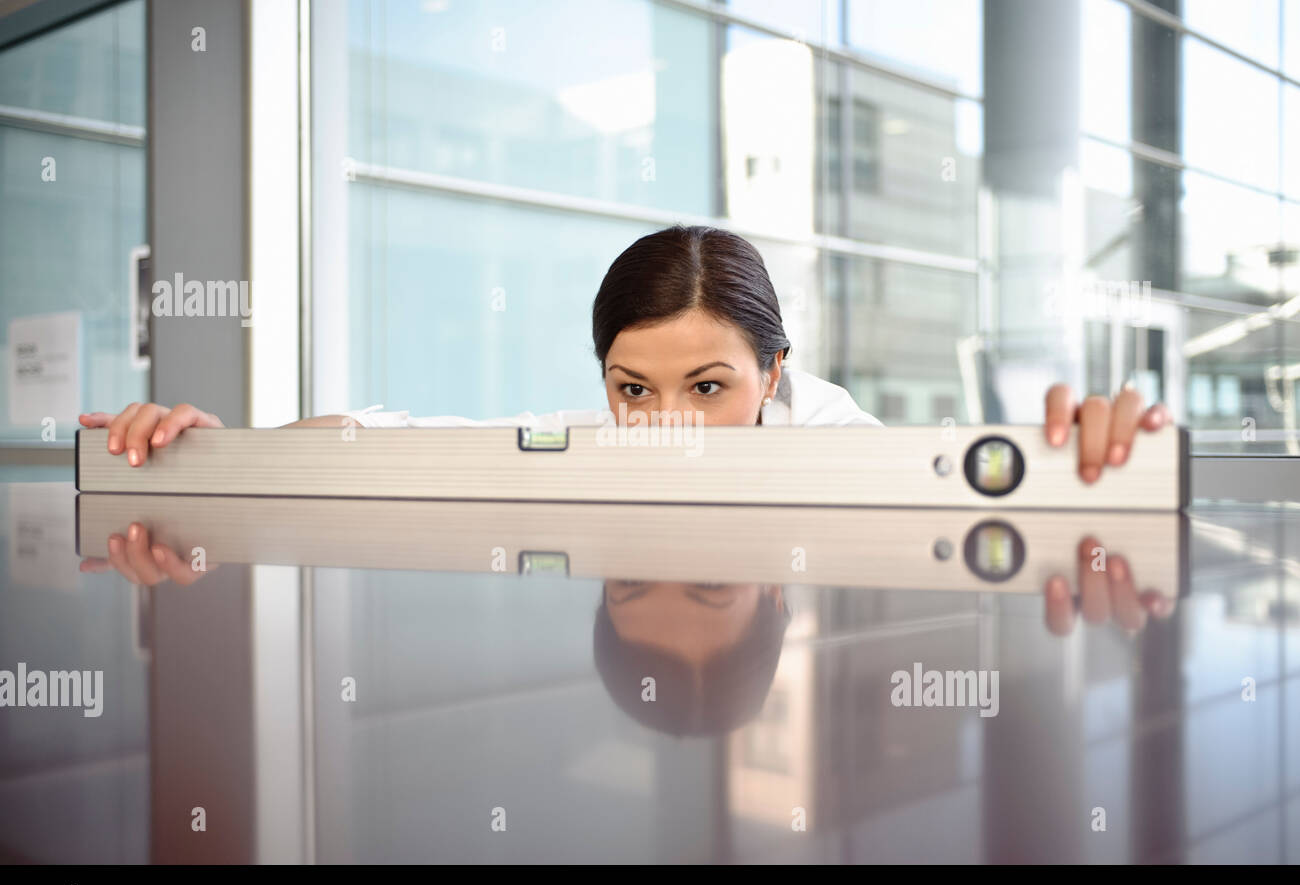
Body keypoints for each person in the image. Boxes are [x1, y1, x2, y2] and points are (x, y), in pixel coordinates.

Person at [80, 224, 1169, 478]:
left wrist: (1095, 460)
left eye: (708, 385)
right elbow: (403, 438)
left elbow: (961, 480)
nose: (665, 422)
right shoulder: (604, 441)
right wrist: (219, 453)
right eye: (631, 388)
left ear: (774, 373)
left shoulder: (839, 445)